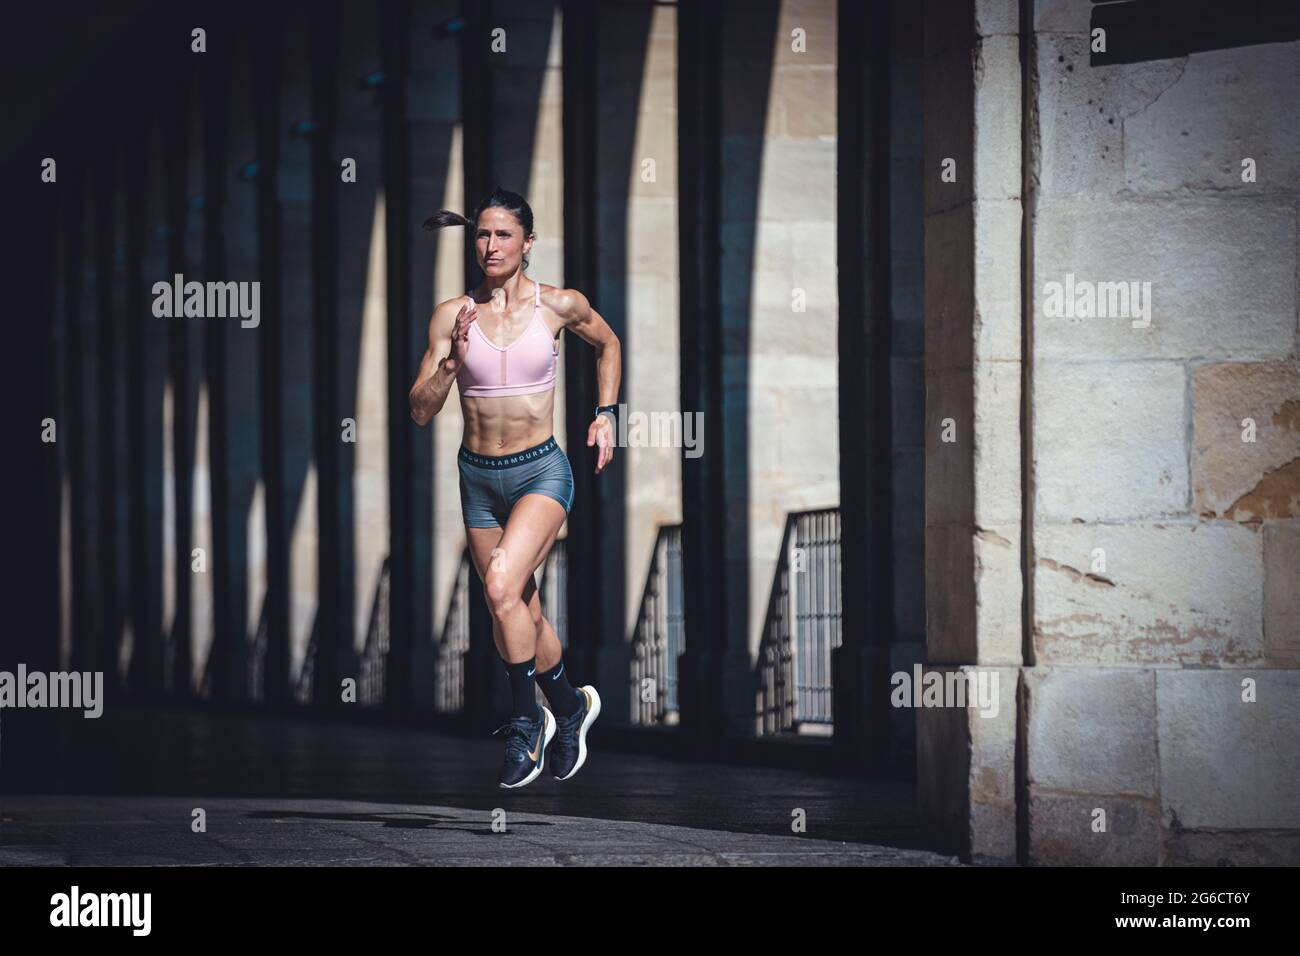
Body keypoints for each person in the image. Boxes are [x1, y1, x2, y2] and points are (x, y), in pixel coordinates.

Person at [410, 186, 621, 788]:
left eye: (504, 234)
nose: (491, 244)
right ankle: (573, 707)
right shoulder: (452, 316)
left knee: (501, 585)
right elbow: (420, 411)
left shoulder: (559, 305)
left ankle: (527, 722)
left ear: (527, 243)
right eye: (482, 234)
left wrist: (607, 413)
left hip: (541, 472)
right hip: (477, 480)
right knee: (516, 605)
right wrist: (449, 367)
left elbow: (607, 344)